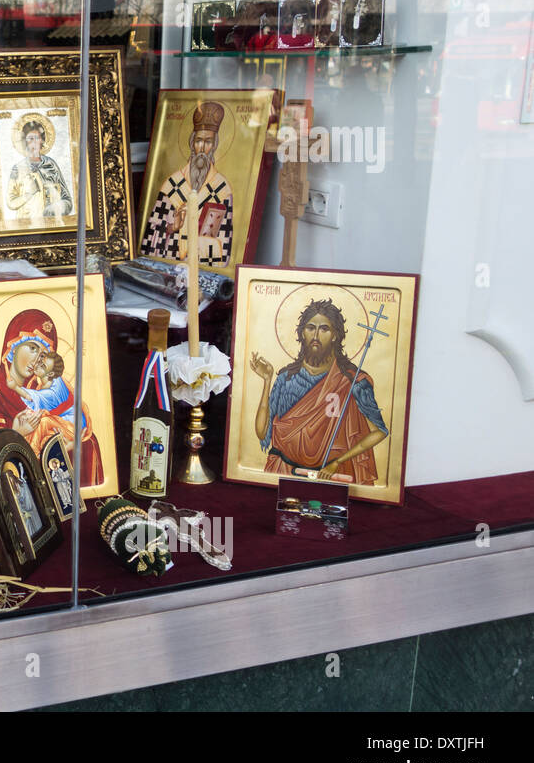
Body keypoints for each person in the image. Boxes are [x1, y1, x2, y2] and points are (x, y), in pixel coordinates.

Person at [250, 298, 389, 483]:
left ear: (334, 335)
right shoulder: (287, 377)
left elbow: (380, 431)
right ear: (302, 333)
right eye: (310, 328)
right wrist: (267, 381)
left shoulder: (352, 380)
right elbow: (262, 432)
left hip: (332, 475)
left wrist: (338, 461)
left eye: (324, 328)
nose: (316, 335)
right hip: (286, 471)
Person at [0, 309, 102, 489]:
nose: (36, 359)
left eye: (43, 354)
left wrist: (71, 445)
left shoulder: (42, 388)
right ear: (13, 345)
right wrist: (16, 433)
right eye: (32, 348)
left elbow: (80, 436)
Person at [140, 100, 234, 268]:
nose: (203, 147)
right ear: (192, 143)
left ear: (215, 145)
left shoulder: (222, 189)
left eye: (208, 142)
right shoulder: (172, 184)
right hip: (169, 268)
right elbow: (150, 238)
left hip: (202, 271)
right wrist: (171, 227)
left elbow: (224, 244)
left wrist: (201, 244)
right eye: (199, 141)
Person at [5, 119, 73, 221]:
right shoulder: (18, 168)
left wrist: (55, 208)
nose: (34, 143)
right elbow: (10, 202)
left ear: (42, 141)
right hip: (27, 225)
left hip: (51, 224)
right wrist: (28, 195)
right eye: (30, 139)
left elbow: (66, 199)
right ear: (25, 142)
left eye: (37, 138)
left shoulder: (51, 164)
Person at [1, 461, 43, 536]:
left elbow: (27, 504)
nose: (10, 481)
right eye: (8, 480)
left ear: (13, 476)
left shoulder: (20, 487)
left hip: (26, 514)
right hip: (19, 516)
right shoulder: (6, 492)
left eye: (11, 478)